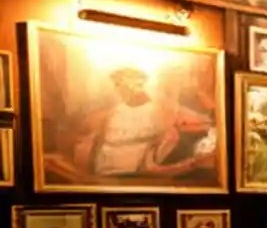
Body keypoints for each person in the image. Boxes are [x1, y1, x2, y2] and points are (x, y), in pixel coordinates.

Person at [72, 66, 215, 179]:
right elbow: (87, 145)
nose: (121, 88)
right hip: (107, 176)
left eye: (125, 83)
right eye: (118, 84)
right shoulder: (108, 115)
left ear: (141, 84)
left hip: (147, 174)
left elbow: (204, 123)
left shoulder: (164, 110)